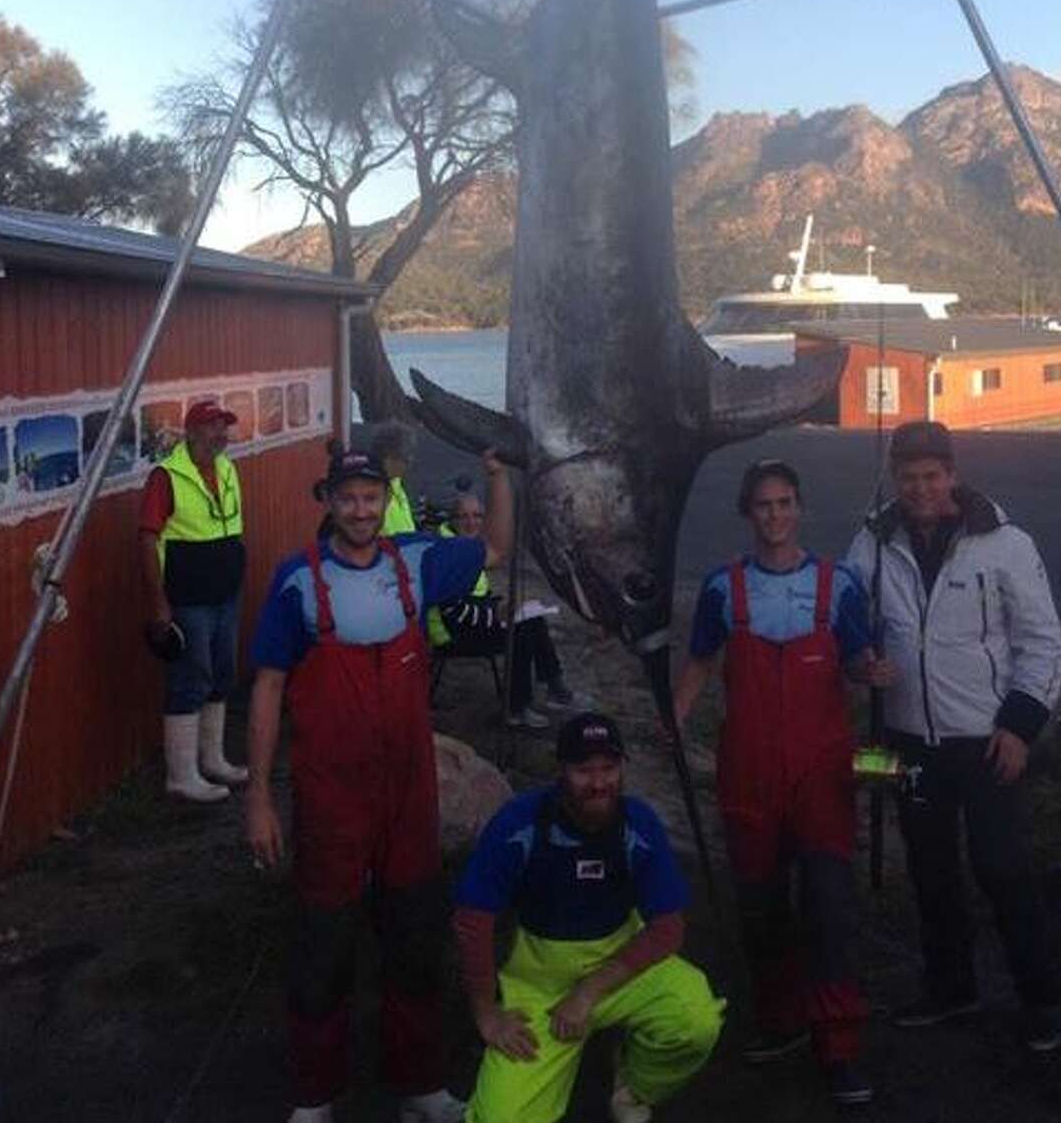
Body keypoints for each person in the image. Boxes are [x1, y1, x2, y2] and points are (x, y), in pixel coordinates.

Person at [245, 443, 513, 1123]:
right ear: (329, 502)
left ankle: (418, 1084)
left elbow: (496, 549)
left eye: (370, 498)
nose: (361, 510)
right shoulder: (297, 581)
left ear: (383, 501)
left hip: (407, 794)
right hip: (331, 795)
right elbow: (268, 685)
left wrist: (497, 476)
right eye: (348, 498)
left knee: (416, 936)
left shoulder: (417, 560)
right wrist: (258, 796)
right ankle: (315, 1096)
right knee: (323, 943)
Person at [672, 459, 891, 1108]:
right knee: (761, 909)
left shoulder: (839, 585)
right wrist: (673, 718)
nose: (775, 515)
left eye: (785, 502)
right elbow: (700, 663)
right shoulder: (723, 589)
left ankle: (838, 1044)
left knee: (829, 910)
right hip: (748, 775)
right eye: (763, 504)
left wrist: (874, 672)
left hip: (823, 776)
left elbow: (858, 664)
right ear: (749, 512)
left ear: (799, 507)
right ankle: (781, 1020)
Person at [845, 420, 1061, 1052]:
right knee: (931, 869)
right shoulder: (870, 541)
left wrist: (1019, 728)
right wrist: (859, 662)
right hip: (908, 739)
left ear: (952, 475)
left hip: (987, 738)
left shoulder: (1005, 542)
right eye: (908, 478)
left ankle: (1041, 997)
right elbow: (846, 621)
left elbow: (1042, 642)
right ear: (894, 478)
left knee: (1003, 866)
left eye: (931, 476)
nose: (920, 489)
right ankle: (951, 987)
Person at [454, 712, 724, 1123]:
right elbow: (473, 919)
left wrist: (589, 992)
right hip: (541, 986)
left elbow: (668, 929)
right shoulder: (520, 823)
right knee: (498, 1118)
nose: (599, 782)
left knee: (695, 1020)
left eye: (609, 768)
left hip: (620, 969)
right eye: (584, 770)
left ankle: (635, 1087)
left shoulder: (638, 824)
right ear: (561, 771)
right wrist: (485, 1012)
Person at [139, 398, 248, 803]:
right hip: (188, 599)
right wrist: (159, 604)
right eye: (211, 426)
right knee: (190, 679)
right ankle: (182, 775)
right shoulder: (166, 476)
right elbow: (147, 539)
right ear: (191, 431)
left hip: (225, 593)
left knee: (221, 675)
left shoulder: (227, 468)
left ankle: (213, 760)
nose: (220, 434)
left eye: (224, 426)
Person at [440, 491, 575, 729]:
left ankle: (555, 686)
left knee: (533, 620)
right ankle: (516, 708)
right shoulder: (448, 554)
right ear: (452, 520)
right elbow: (451, 610)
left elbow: (476, 594)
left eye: (477, 516)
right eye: (464, 516)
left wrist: (499, 606)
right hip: (455, 631)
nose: (472, 522)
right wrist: (495, 616)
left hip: (474, 618)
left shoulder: (469, 546)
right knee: (520, 632)